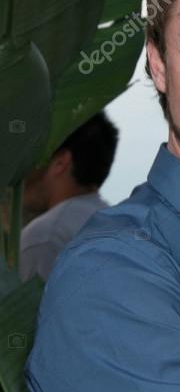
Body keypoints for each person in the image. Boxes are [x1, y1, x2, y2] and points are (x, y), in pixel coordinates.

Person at [20, 111, 118, 281]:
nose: (24, 173)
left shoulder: (47, 237)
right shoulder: (118, 223)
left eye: (33, 158)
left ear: (60, 162)